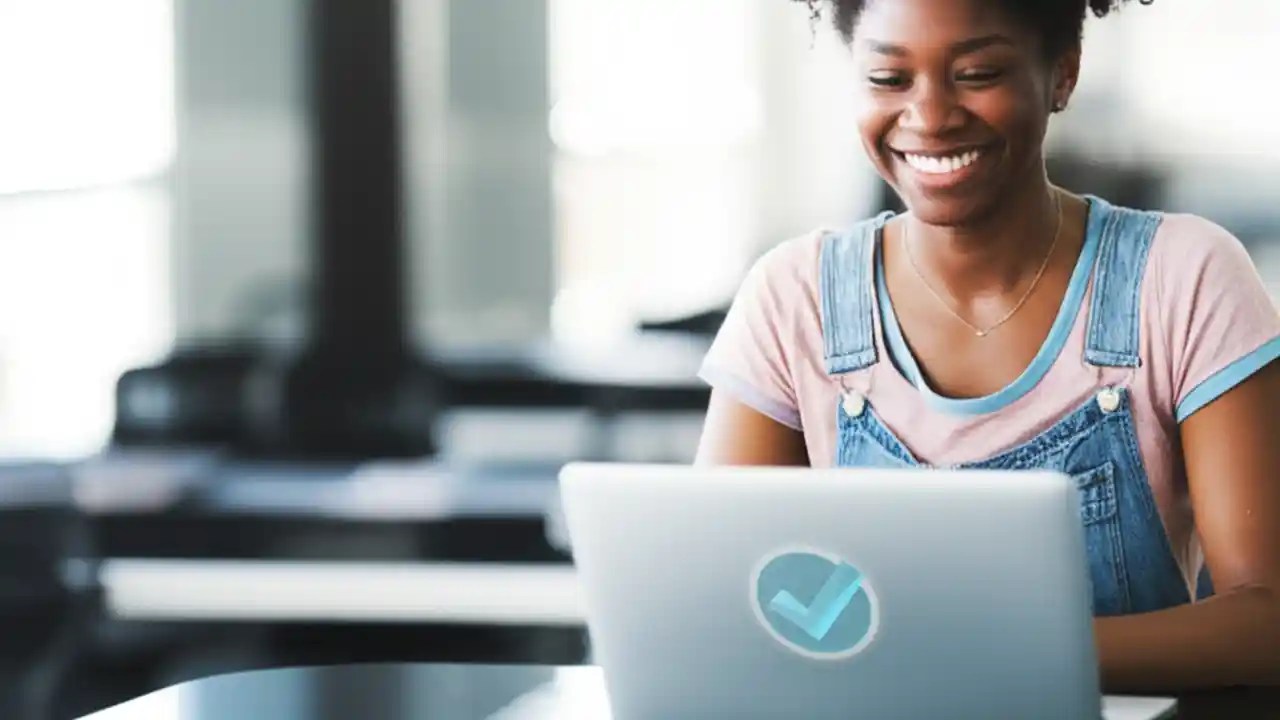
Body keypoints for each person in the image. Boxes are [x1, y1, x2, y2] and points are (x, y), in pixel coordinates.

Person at [694, 0, 1280, 694]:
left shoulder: (1182, 276)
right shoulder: (795, 297)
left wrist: (978, 655)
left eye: (976, 74)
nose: (930, 116)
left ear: (1062, 74)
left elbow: (1265, 621)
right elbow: (725, 610)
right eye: (888, 79)